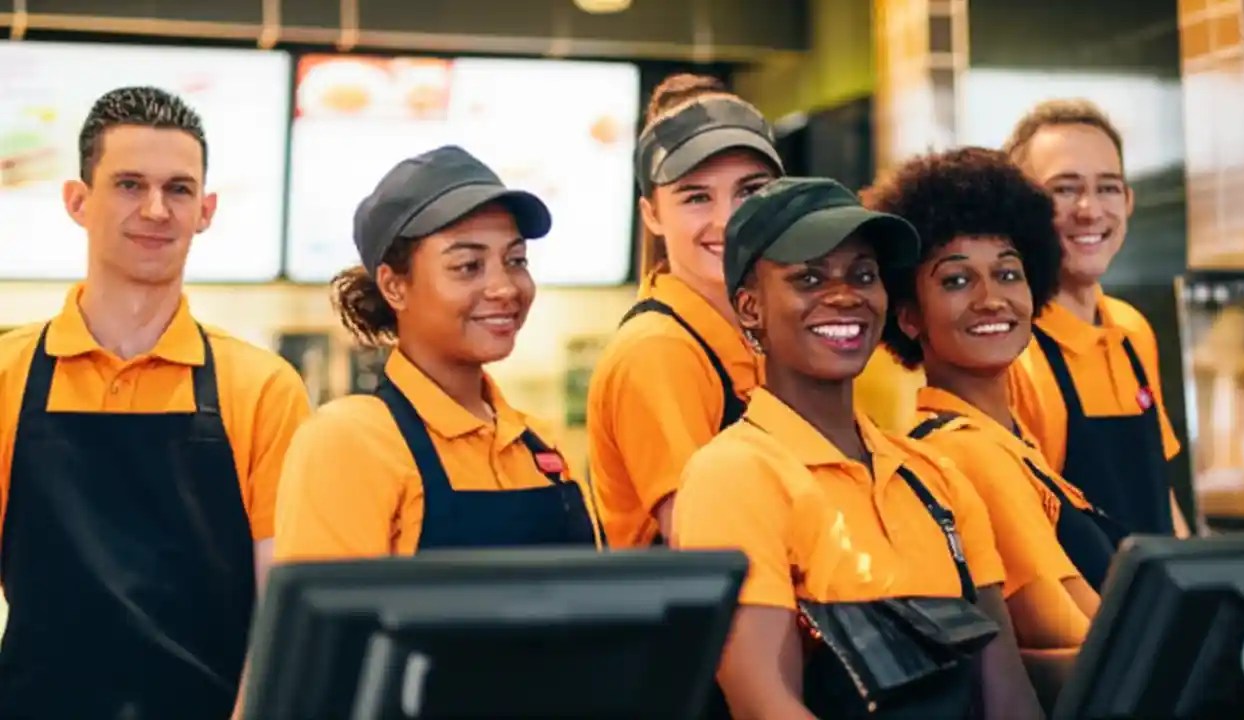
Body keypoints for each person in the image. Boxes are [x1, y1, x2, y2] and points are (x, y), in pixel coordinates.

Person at [674, 177, 1043, 720]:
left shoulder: (934, 479)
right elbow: (766, 705)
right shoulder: (734, 476)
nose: (844, 295)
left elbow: (1008, 698)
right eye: (809, 278)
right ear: (750, 308)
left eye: (863, 275)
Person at [0, 86, 312, 719]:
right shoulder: (7, 375)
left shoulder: (261, 388)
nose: (155, 209)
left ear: (206, 209)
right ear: (77, 201)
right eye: (128, 184)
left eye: (178, 189)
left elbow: (281, 613)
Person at [862, 147, 1128, 705]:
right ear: (909, 316)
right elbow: (1068, 630)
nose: (992, 299)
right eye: (957, 281)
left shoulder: (1011, 442)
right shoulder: (965, 452)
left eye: (1008, 273)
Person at [273, 145, 600, 561]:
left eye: (516, 260)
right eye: (468, 266)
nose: (505, 288)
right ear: (394, 286)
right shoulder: (349, 441)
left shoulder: (541, 447)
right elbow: (334, 623)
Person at [586, 74, 782, 548]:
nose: (728, 220)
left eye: (749, 191)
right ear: (651, 214)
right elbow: (705, 541)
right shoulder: (660, 351)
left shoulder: (755, 332)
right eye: (696, 197)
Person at [1002, 99, 1188, 537]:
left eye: (1107, 187)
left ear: (1127, 200)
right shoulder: (1012, 351)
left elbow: (1160, 494)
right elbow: (1025, 537)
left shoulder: (1132, 330)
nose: (1089, 209)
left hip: (1158, 599)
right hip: (1081, 605)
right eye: (1064, 189)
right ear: (1021, 207)